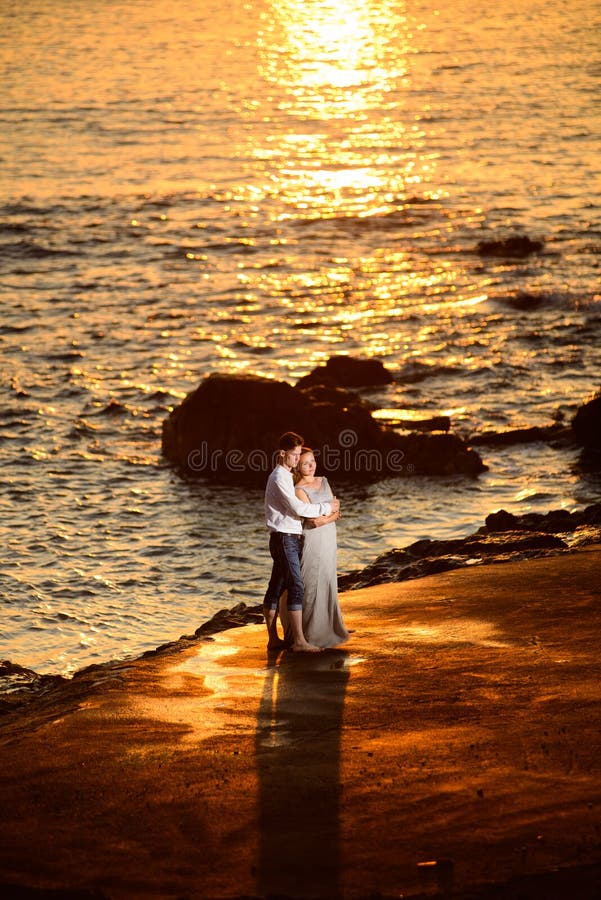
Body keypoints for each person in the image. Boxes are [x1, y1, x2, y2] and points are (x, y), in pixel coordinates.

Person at [263, 432, 340, 652]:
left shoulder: (286, 476)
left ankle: (274, 639)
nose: (298, 459)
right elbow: (298, 509)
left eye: (299, 454)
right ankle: (298, 641)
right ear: (282, 454)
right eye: (294, 455)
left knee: (277, 587)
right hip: (284, 538)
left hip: (288, 537)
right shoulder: (279, 477)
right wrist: (328, 507)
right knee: (296, 585)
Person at [293, 448, 349, 648]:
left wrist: (330, 515)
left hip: (329, 537)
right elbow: (312, 523)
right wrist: (331, 514)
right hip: (313, 540)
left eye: (313, 461)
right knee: (312, 582)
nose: (311, 465)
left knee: (328, 578)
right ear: (298, 467)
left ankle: (330, 627)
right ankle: (311, 634)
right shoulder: (299, 489)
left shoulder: (324, 480)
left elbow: (337, 510)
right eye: (306, 463)